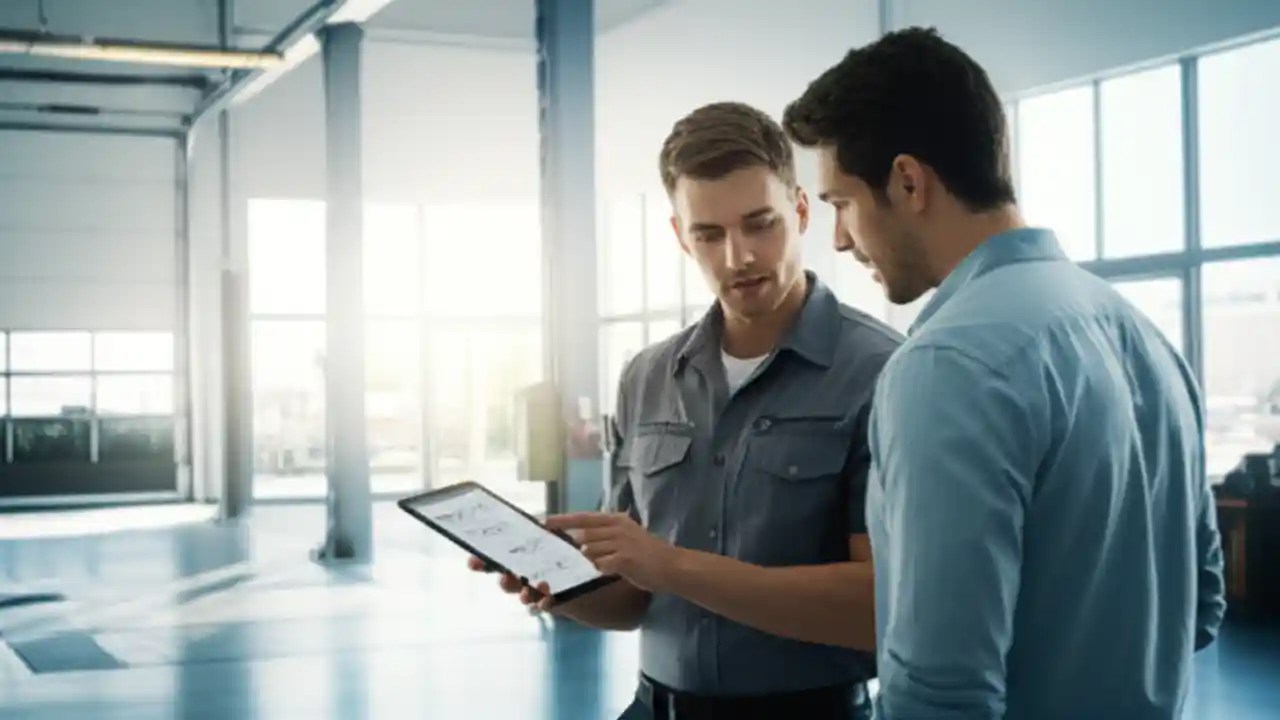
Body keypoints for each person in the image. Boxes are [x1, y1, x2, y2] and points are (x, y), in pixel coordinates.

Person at [782, 26, 1227, 720]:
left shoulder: (946, 366)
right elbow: (1199, 612)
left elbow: (942, 693)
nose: (838, 237)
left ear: (908, 181)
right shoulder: (1143, 336)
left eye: (841, 202)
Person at [469, 101, 902, 719]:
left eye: (761, 224)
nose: (738, 257)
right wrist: (560, 586)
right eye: (709, 234)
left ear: (801, 211)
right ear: (679, 235)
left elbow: (879, 607)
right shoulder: (647, 378)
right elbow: (634, 597)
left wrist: (671, 564)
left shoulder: (882, 372)